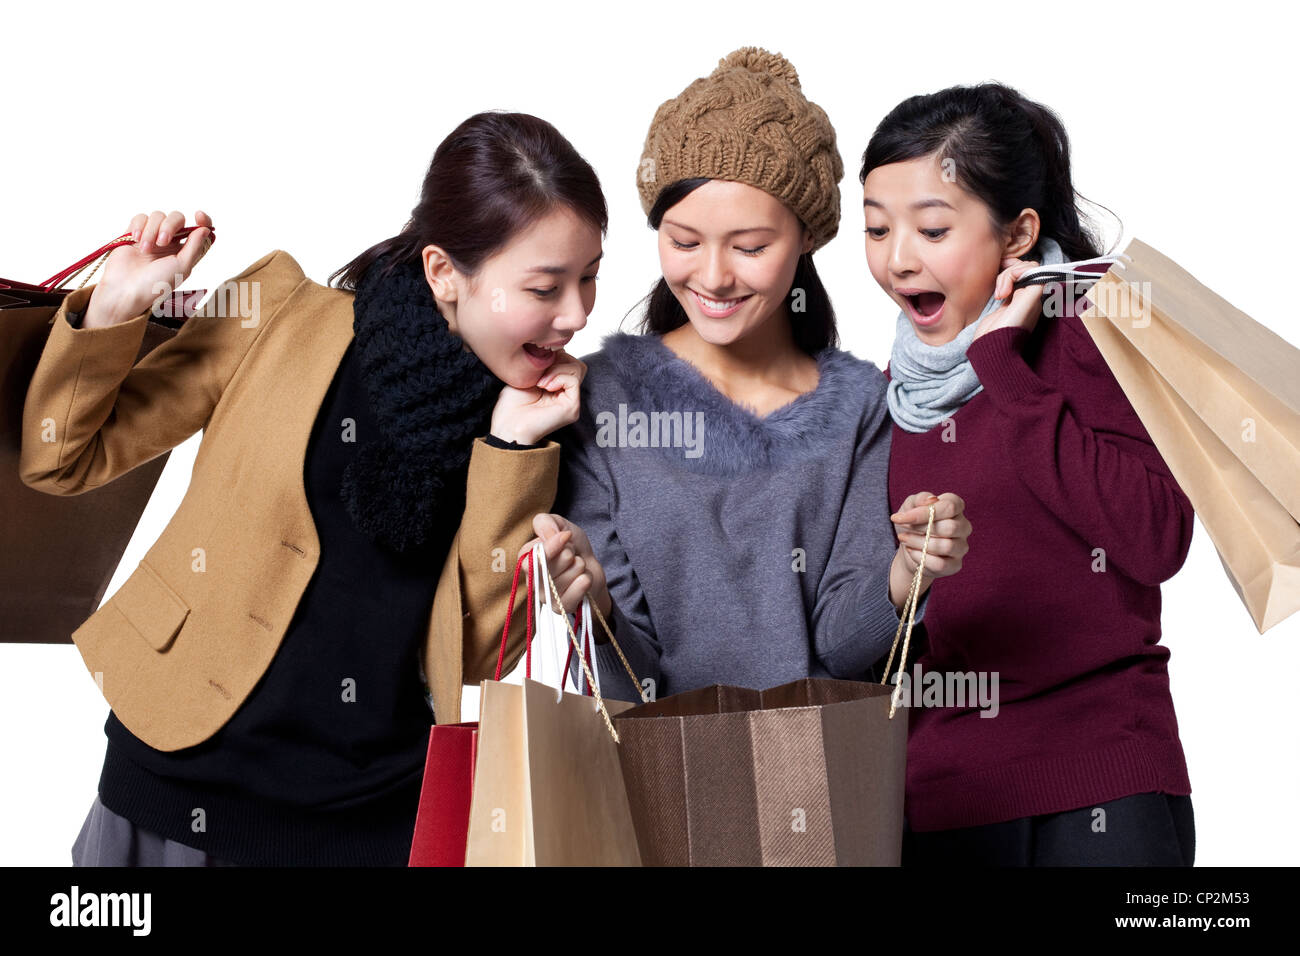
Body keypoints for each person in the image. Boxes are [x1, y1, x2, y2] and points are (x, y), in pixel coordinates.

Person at [19, 111, 604, 866]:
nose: (577, 314)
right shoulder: (276, 316)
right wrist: (113, 308)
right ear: (443, 273)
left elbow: (473, 658)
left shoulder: (545, 422)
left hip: (369, 819)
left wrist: (512, 448)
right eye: (545, 286)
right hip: (171, 781)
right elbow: (59, 458)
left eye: (590, 276)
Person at [524, 48, 971, 706]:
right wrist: (594, 608)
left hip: (820, 783)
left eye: (751, 248)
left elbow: (844, 652)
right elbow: (633, 680)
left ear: (807, 240)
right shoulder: (595, 398)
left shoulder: (862, 404)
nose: (712, 277)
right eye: (682, 242)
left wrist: (906, 574)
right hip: (657, 784)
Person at [861, 82, 1196, 865]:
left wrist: (1005, 368)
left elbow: (1157, 538)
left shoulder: (1093, 335)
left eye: (932, 228)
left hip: (1104, 783)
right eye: (876, 230)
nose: (898, 257)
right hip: (945, 802)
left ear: (1019, 235)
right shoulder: (892, 393)